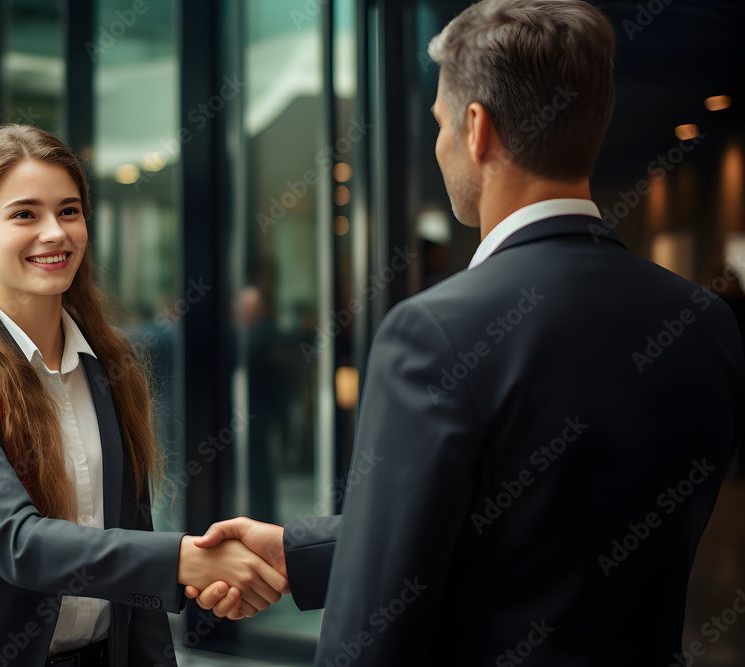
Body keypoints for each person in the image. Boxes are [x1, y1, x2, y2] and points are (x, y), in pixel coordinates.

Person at [188, 1, 745, 664]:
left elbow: (371, 637)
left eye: (440, 125)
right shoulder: (704, 322)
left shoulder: (432, 332)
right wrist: (301, 550)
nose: (439, 143)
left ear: (477, 128)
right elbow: (538, 529)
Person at [0, 123, 288, 666]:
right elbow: (17, 543)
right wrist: (187, 561)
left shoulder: (112, 363)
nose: (54, 232)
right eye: (24, 214)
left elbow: (133, 540)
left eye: (69, 211)